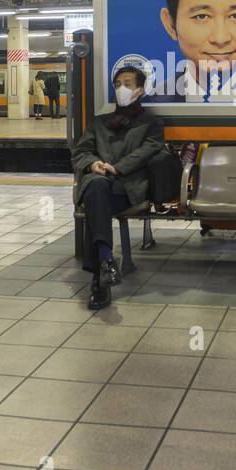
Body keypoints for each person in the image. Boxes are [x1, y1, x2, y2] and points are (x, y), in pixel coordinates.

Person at [70, 65, 164, 310]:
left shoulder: (150, 124)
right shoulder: (98, 123)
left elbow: (149, 150)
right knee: (97, 189)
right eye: (117, 84)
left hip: (126, 189)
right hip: (99, 185)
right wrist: (93, 164)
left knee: (95, 205)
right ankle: (105, 265)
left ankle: (101, 274)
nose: (121, 88)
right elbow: (80, 151)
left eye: (128, 84)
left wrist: (117, 167)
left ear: (140, 90)